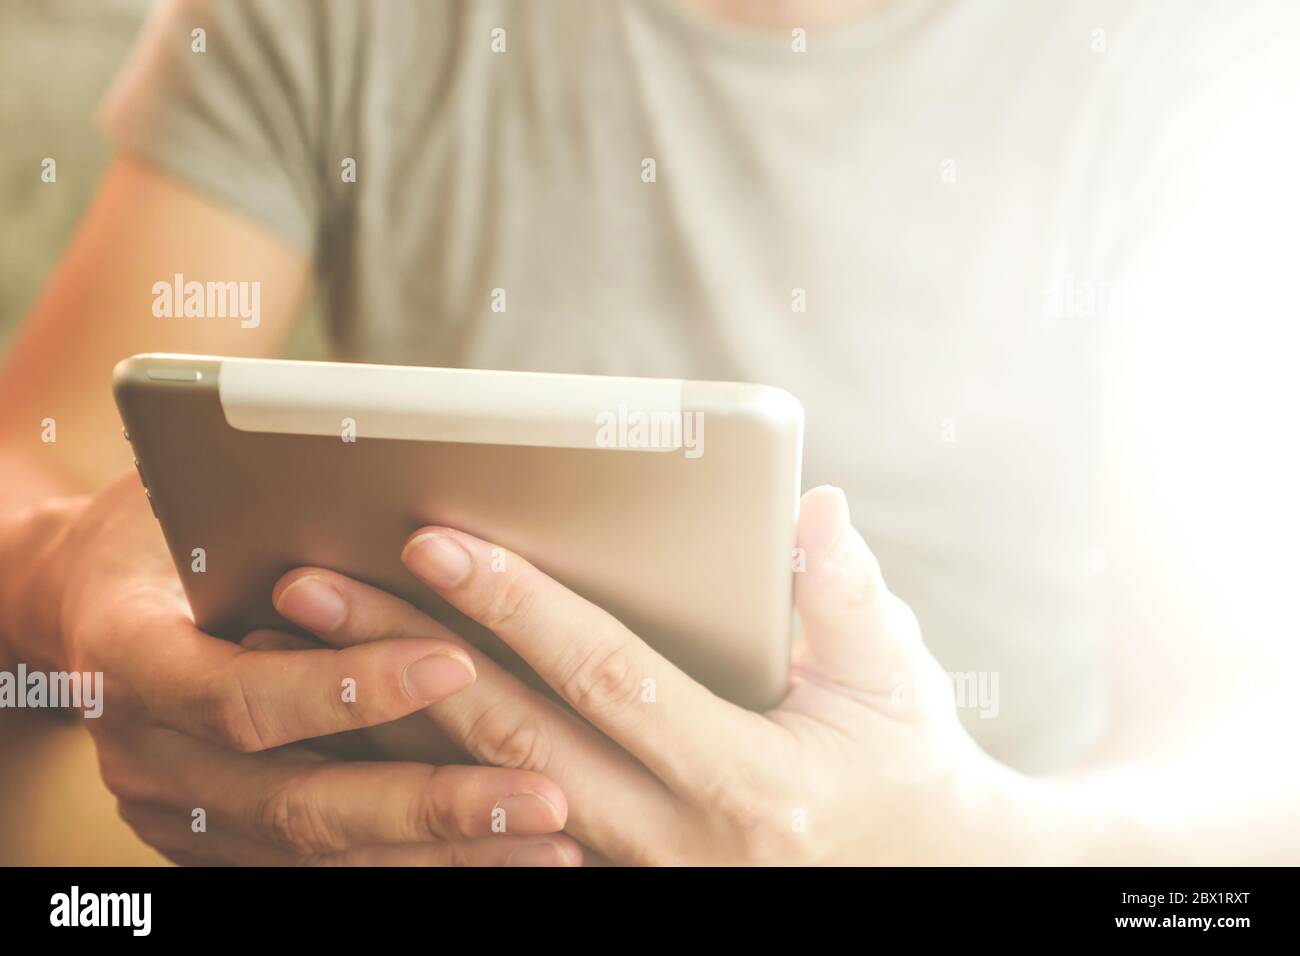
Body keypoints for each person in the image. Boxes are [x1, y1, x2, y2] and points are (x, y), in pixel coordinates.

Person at [1, 0, 1297, 865]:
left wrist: (966, 840)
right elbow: (32, 463)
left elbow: (1255, 742)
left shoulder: (1199, 55)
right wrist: (65, 582)